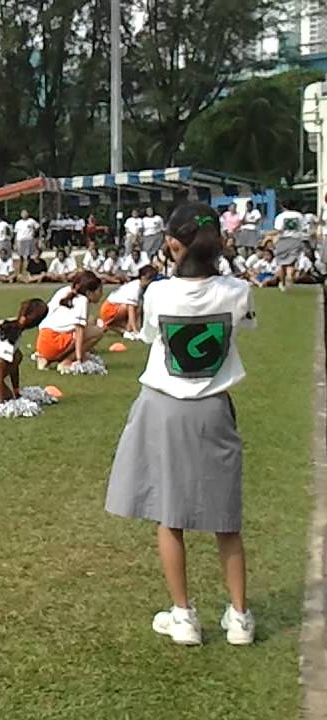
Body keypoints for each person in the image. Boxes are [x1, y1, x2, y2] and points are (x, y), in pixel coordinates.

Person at [104, 202, 257, 647]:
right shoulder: (238, 291)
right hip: (213, 406)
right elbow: (244, 328)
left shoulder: (158, 293)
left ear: (173, 242)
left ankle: (184, 614)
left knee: (169, 514)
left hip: (164, 405)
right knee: (225, 517)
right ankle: (240, 616)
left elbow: (153, 337)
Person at [35, 271, 104, 371]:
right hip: (54, 341)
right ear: (89, 293)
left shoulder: (65, 290)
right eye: (99, 291)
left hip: (42, 341)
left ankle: (45, 359)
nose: (101, 294)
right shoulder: (82, 300)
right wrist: (79, 358)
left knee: (90, 321)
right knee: (98, 332)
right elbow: (79, 330)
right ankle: (66, 362)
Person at [98, 265, 157, 335]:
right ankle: (130, 329)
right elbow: (131, 309)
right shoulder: (135, 288)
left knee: (137, 307)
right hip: (109, 308)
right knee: (131, 307)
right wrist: (134, 329)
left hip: (115, 308)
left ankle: (123, 328)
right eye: (149, 278)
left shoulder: (141, 288)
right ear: (142, 277)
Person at [272, 199, 306, 292]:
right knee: (291, 262)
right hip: (296, 240)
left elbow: (278, 230)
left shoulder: (281, 216)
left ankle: (282, 284)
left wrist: (268, 235)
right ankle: (290, 275)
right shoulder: (299, 216)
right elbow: (303, 228)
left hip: (283, 240)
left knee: (282, 263)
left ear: (283, 206)